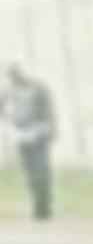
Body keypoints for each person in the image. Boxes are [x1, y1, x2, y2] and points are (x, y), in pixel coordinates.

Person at [4, 65, 56, 221]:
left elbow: (48, 108)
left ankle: (44, 206)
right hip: (21, 133)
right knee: (29, 172)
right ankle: (36, 205)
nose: (14, 78)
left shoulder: (37, 88)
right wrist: (10, 118)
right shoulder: (10, 91)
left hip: (38, 130)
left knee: (41, 170)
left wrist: (52, 127)